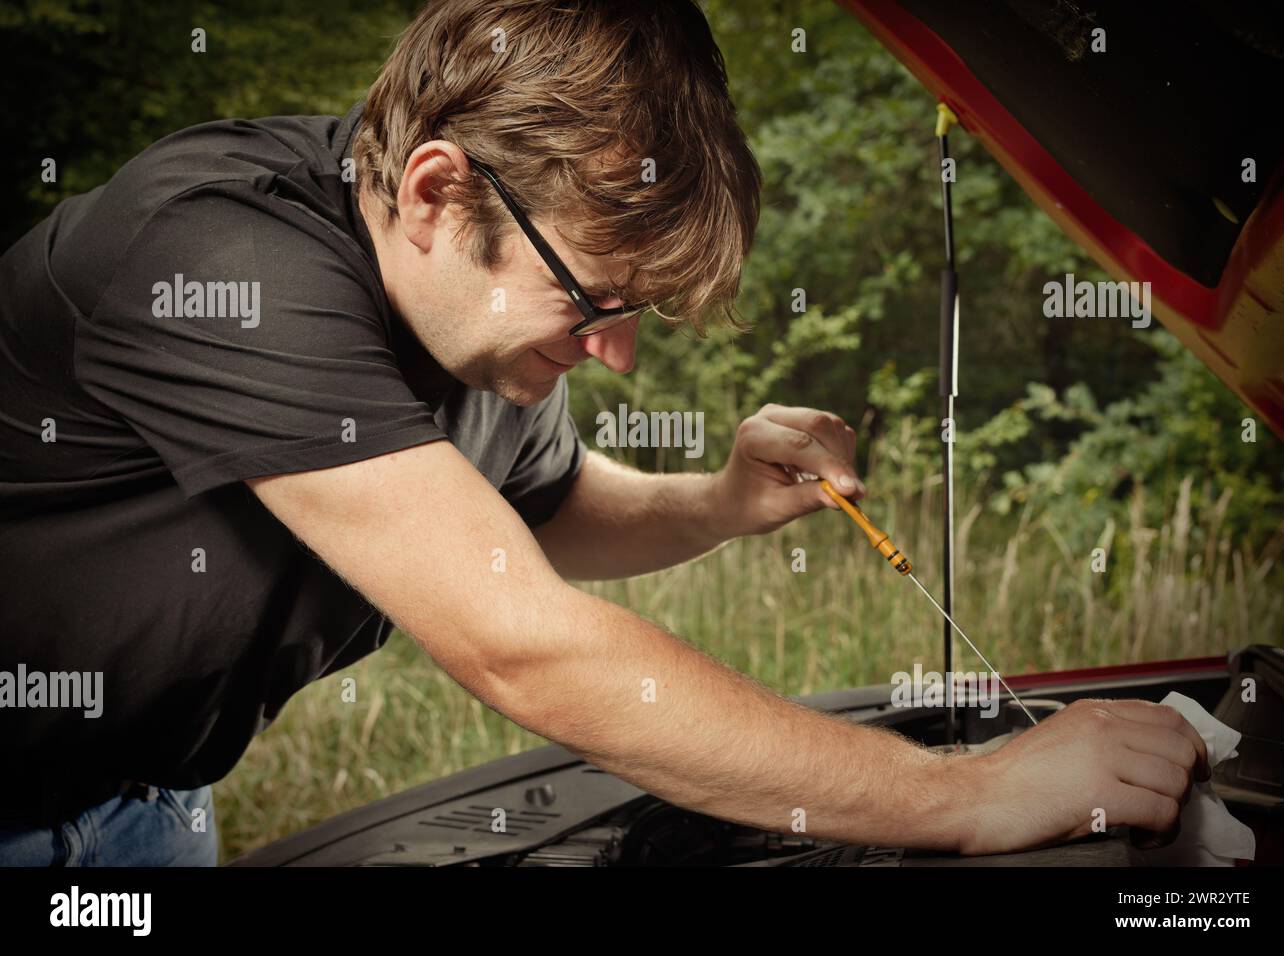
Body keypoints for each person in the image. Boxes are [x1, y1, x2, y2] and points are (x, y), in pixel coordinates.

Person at [0, 0, 1206, 866]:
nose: (614, 352)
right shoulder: (222, 262)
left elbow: (545, 507)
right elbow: (523, 643)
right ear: (434, 190)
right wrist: (972, 794)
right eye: (593, 300)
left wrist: (722, 499)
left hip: (143, 807)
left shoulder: (475, 316)